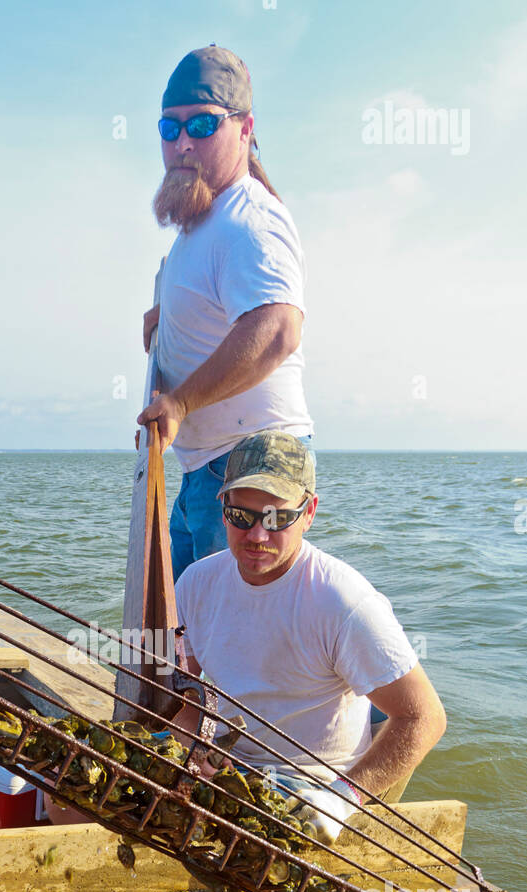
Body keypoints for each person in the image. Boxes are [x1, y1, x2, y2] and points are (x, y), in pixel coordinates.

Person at [172, 431, 447, 844]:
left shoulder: (344, 602)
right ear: (222, 508)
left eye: (277, 518)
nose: (257, 536)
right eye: (241, 517)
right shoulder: (195, 584)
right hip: (226, 762)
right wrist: (187, 747)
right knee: (65, 800)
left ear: (309, 512)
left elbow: (425, 718)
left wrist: (340, 799)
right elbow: (189, 694)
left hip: (310, 784)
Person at [137, 45, 314, 582]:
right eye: (170, 129)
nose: (183, 142)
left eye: (203, 124)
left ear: (244, 128)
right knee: (195, 627)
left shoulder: (250, 218)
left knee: (236, 641)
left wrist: (181, 401)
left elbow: (277, 327)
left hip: (251, 465)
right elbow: (222, 297)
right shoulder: (204, 221)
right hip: (205, 467)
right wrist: (167, 315)